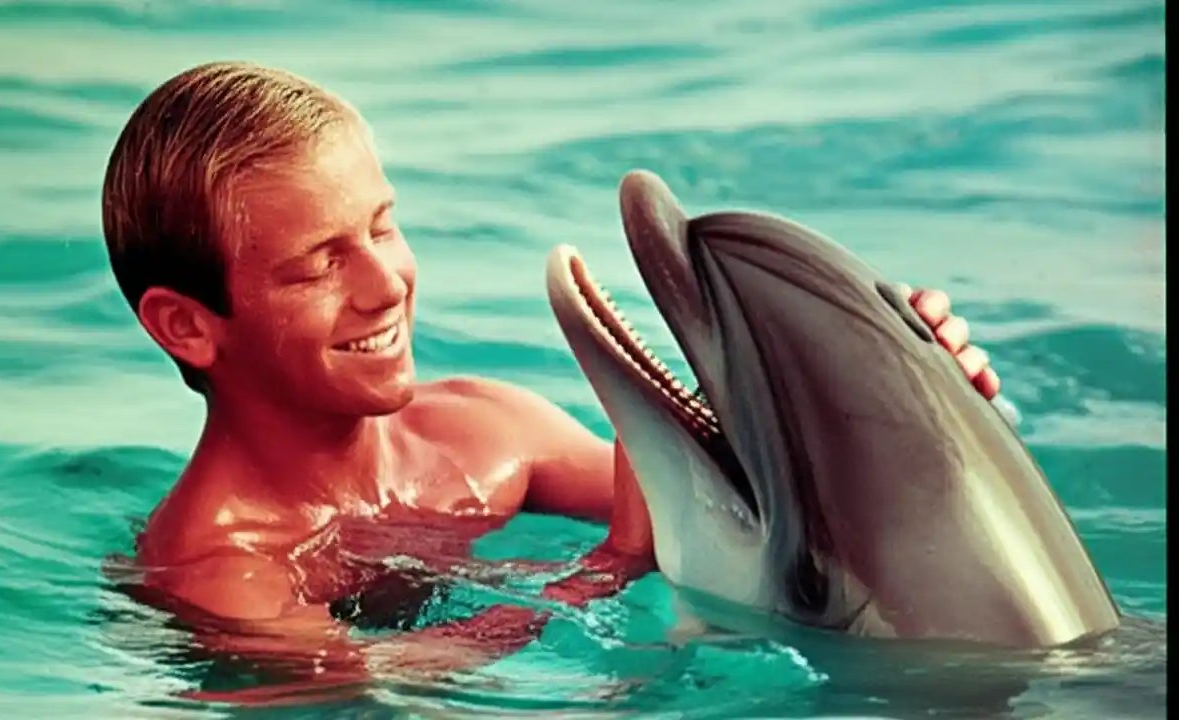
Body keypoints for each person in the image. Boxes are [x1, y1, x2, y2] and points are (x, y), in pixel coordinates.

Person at [102, 61, 1002, 685]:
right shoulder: (220, 572)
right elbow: (379, 683)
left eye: (382, 228)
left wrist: (909, 397)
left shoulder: (484, 433)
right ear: (187, 325)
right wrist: (607, 567)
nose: (386, 286)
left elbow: (737, 492)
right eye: (317, 265)